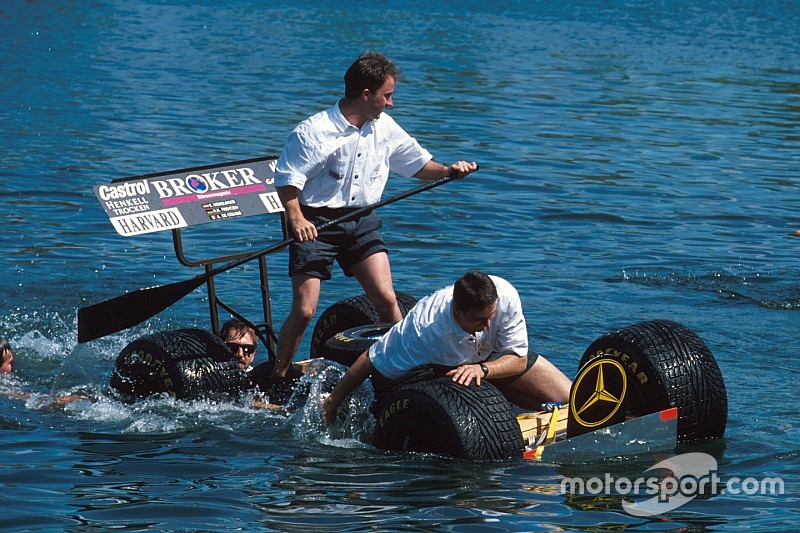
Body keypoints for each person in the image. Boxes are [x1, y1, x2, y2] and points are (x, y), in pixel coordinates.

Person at [271, 51, 478, 380]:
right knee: (306, 310)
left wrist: (447, 171)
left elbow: (418, 165)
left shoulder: (385, 128)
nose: (391, 103)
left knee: (386, 299)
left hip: (362, 220)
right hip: (316, 223)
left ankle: (407, 372)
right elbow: (286, 179)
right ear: (366, 94)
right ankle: (278, 376)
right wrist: (296, 219)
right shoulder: (314, 131)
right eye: (387, 95)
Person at [322, 271, 573, 426]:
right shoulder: (422, 330)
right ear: (457, 311)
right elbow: (371, 358)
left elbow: (518, 359)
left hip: (485, 360)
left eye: (491, 316)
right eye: (480, 320)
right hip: (437, 371)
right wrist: (333, 402)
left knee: (573, 399)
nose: (488, 325)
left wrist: (483, 370)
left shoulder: (505, 296)